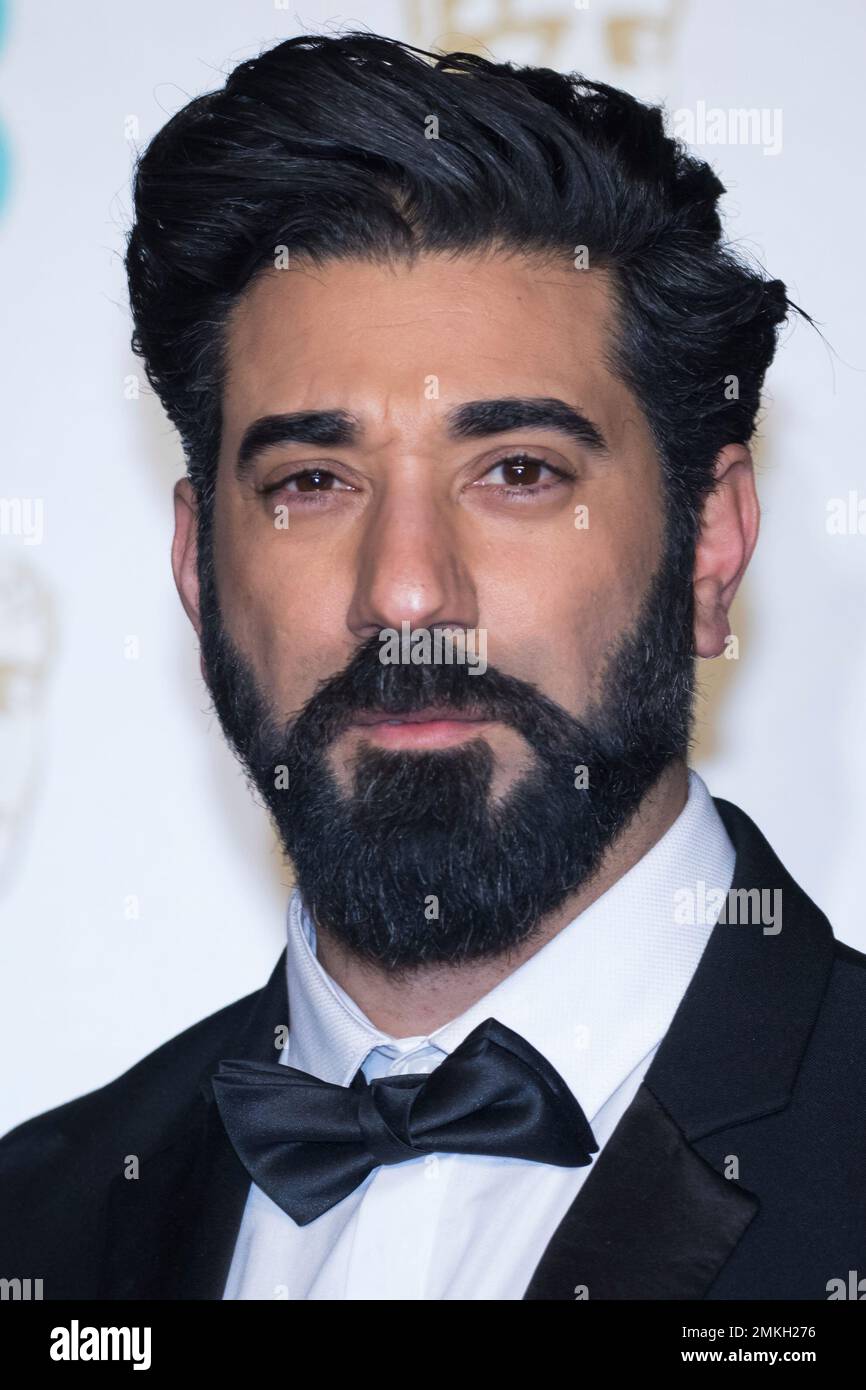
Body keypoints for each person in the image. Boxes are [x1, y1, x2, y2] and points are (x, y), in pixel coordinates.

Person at [1, 30, 864, 1302]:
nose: (405, 591)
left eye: (518, 472)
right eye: (311, 481)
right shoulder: (37, 1228)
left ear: (708, 544)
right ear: (198, 567)